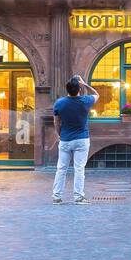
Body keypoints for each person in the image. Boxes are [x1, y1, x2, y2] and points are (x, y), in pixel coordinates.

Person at [52, 74, 99, 204]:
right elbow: (96, 94)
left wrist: (59, 134)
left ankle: (56, 196)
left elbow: (56, 121)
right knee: (79, 169)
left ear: (67, 90)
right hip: (82, 139)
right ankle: (78, 197)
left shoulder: (59, 103)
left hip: (65, 139)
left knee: (61, 168)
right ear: (79, 89)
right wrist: (84, 84)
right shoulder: (86, 101)